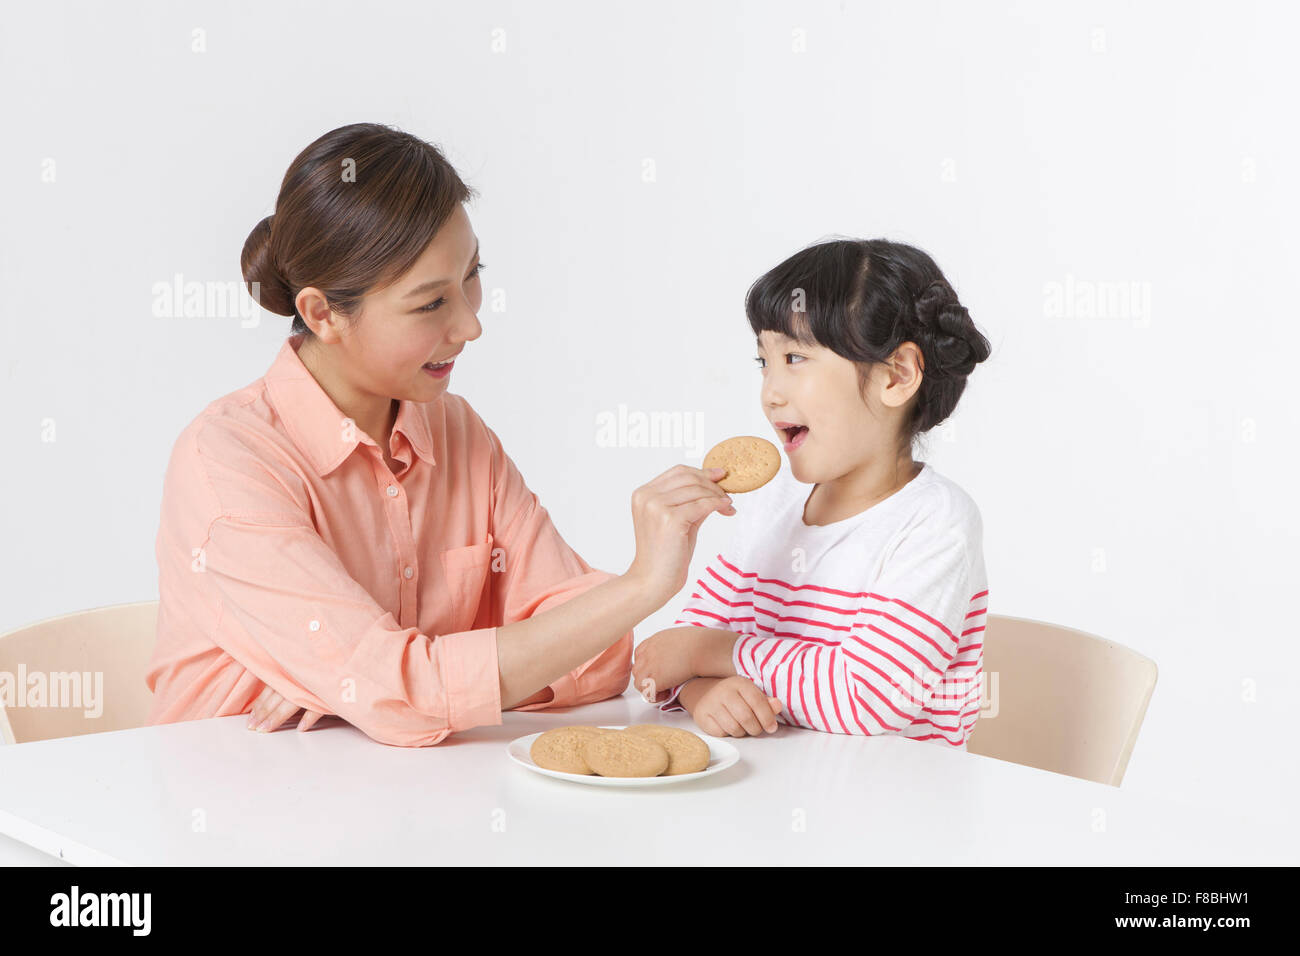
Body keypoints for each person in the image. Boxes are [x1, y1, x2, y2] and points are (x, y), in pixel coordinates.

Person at [144, 123, 734, 747]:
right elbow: (411, 698)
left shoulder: (455, 430)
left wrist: (383, 686)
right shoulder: (228, 463)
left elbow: (600, 658)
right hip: (233, 814)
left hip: (415, 805)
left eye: (472, 277)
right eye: (430, 304)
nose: (471, 325)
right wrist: (640, 586)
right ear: (323, 315)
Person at [631, 238, 992, 747]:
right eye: (764, 362)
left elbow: (870, 694)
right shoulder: (768, 503)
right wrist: (700, 693)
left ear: (897, 375)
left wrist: (713, 656)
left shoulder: (935, 523)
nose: (770, 392)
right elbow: (664, 657)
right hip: (772, 799)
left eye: (795, 357)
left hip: (892, 811)